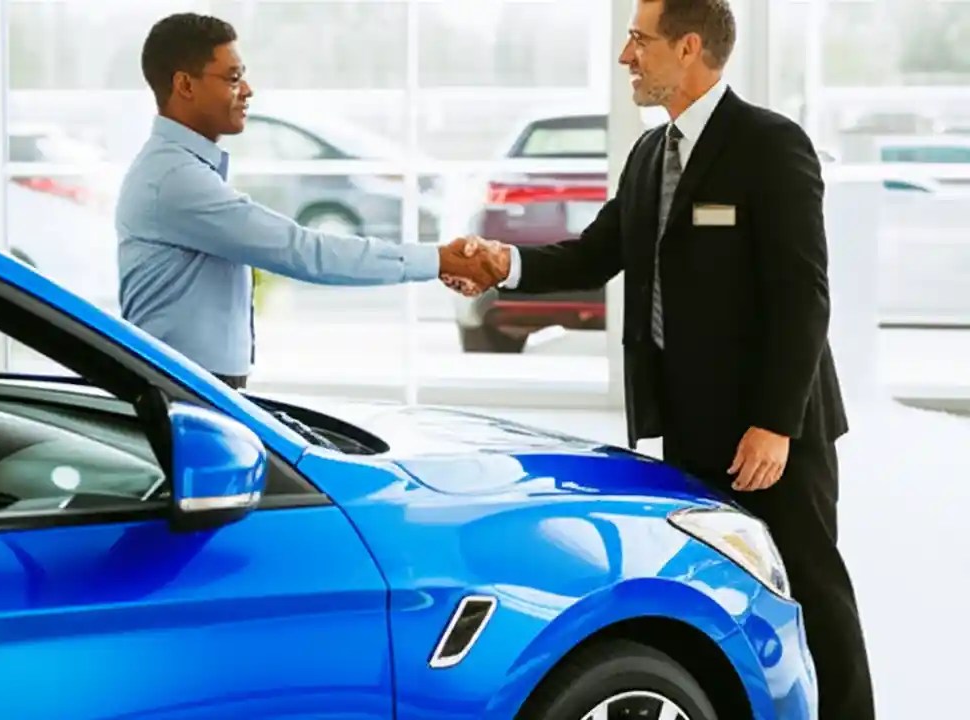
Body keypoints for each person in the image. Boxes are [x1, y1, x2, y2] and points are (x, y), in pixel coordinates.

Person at [446, 0, 874, 716]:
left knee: (809, 588)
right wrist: (503, 265)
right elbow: (594, 254)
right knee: (717, 591)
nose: (626, 57)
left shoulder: (771, 145)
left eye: (639, 40)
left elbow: (804, 296)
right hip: (689, 424)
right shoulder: (650, 154)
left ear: (689, 47)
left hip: (773, 431)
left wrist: (775, 424)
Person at [117, 12, 496, 389]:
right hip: (179, 388)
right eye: (232, 78)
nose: (247, 90)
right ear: (185, 85)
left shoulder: (176, 169)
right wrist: (439, 260)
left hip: (191, 383)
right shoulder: (176, 179)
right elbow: (303, 251)